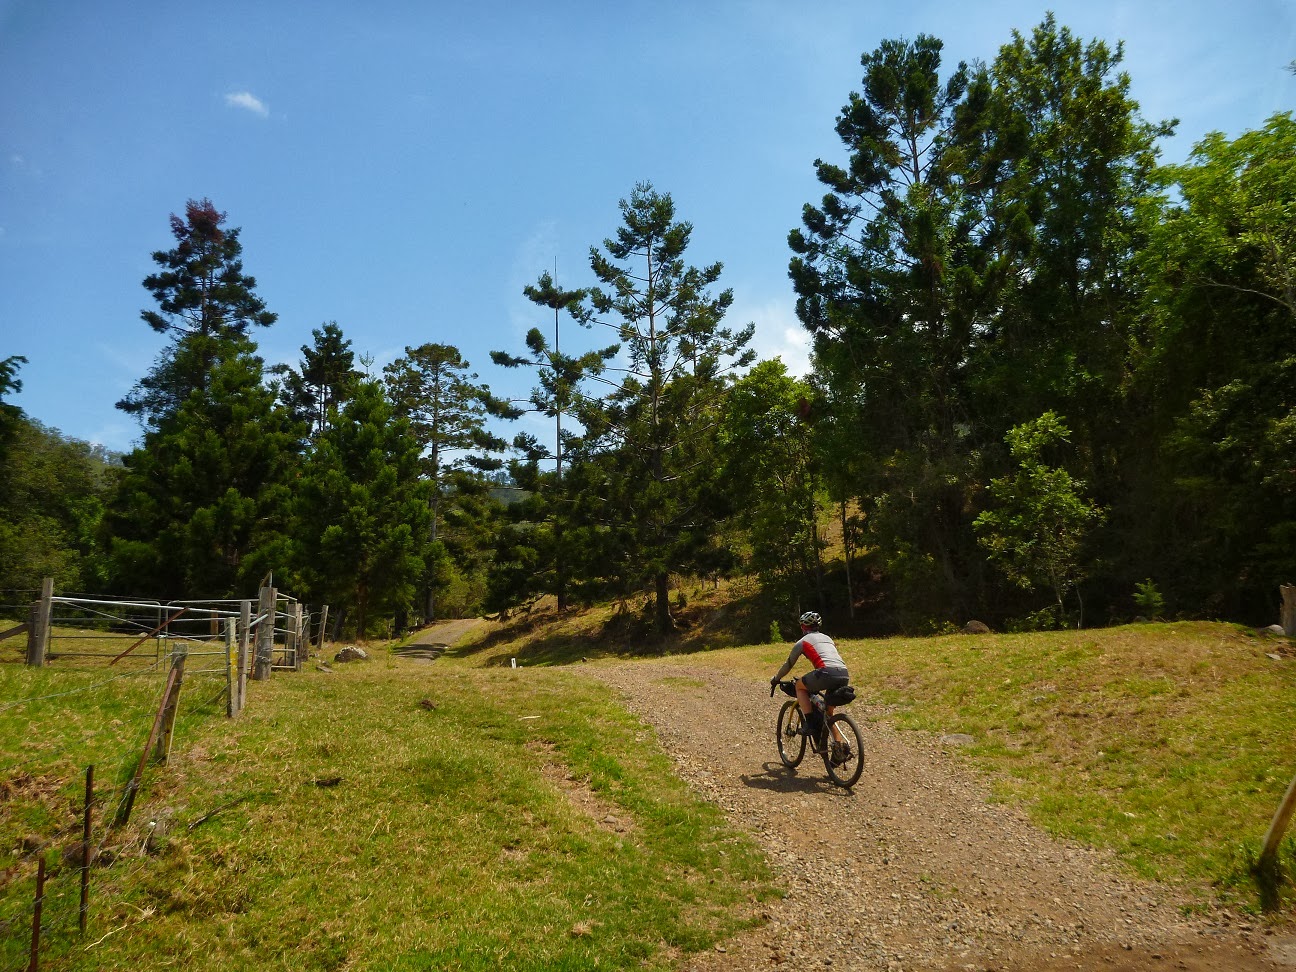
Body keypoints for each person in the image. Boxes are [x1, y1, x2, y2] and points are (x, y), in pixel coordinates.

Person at [770, 611, 849, 747]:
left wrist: (776, 678)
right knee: (828, 715)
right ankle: (839, 747)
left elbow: (788, 664)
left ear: (802, 627)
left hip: (825, 672)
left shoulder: (802, 642)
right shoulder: (828, 639)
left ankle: (810, 723)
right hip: (843, 673)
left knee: (799, 686)